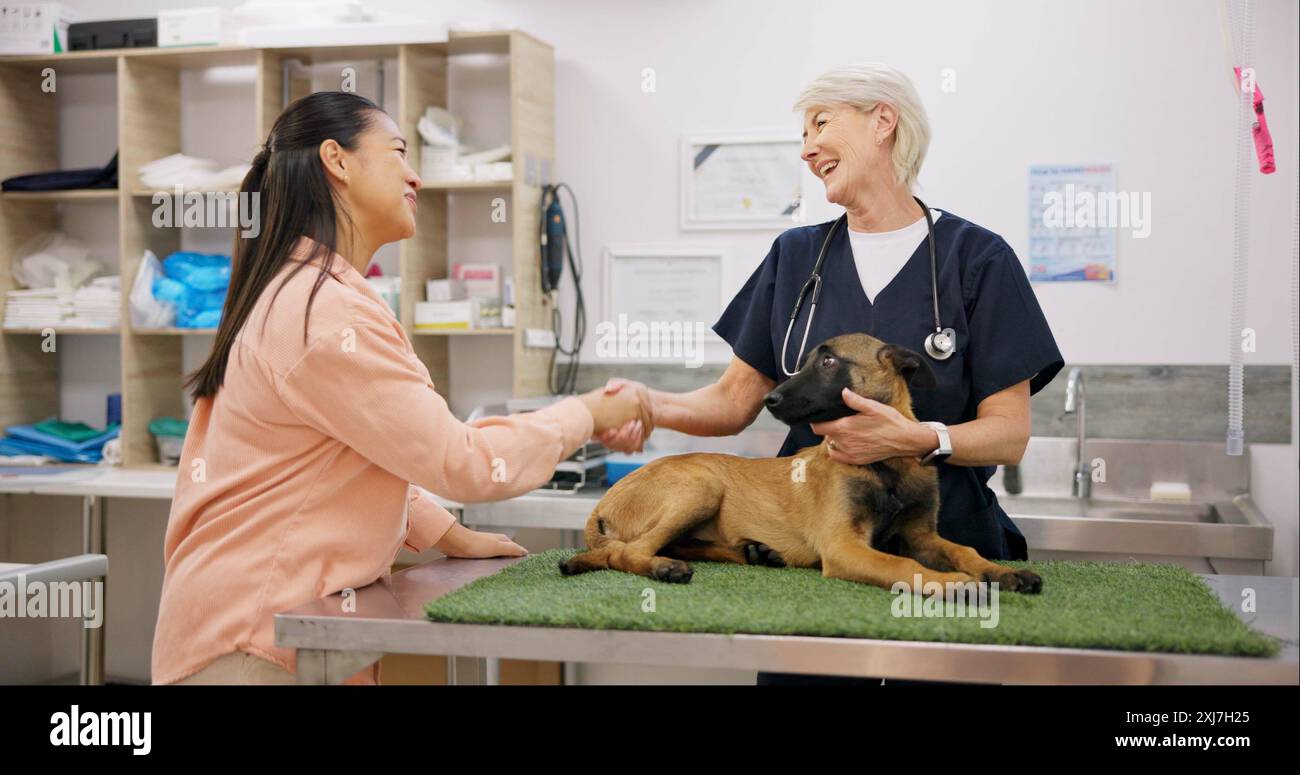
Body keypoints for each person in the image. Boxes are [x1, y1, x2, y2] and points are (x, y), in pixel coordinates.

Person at [152, 92, 651, 685]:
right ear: (336, 160)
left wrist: (447, 533)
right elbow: (461, 461)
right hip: (254, 641)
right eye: (398, 153)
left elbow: (351, 454)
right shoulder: (324, 311)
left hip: (258, 625)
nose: (414, 174)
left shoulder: (306, 291)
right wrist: (588, 412)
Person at [598, 63, 1064, 685]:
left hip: (945, 534)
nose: (807, 147)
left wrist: (920, 438)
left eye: (821, 123)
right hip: (817, 549)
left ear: (883, 122)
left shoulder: (977, 259)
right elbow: (735, 402)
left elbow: (1009, 434)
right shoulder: (795, 257)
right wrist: (648, 404)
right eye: (803, 132)